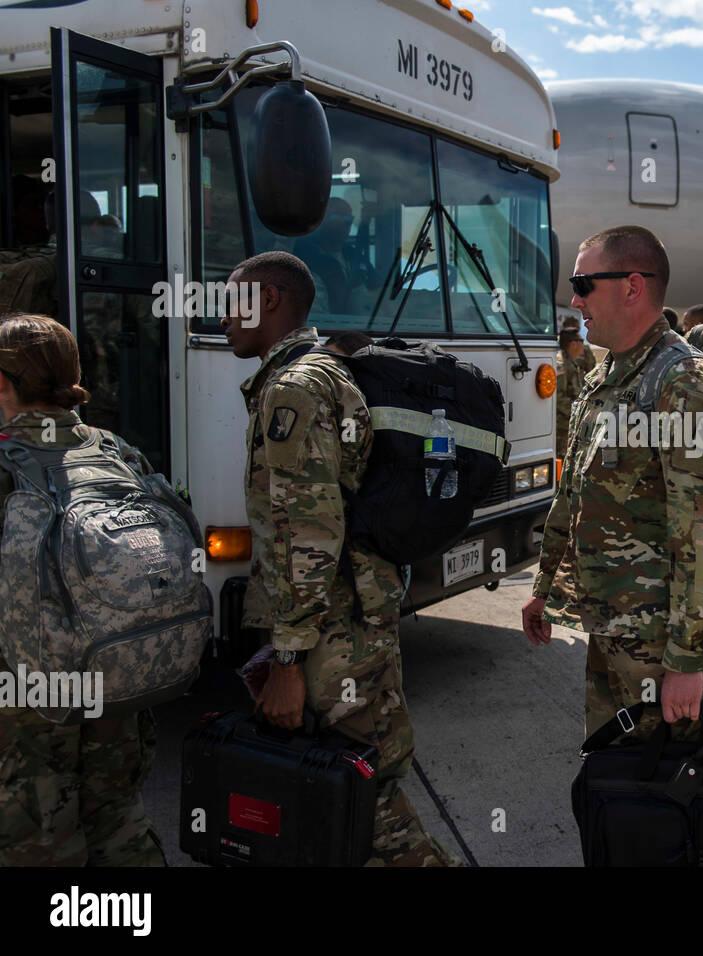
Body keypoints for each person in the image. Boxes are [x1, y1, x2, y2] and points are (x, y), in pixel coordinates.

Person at [221, 251, 453, 866]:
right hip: (350, 613)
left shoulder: (294, 386)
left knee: (365, 796)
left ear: (268, 300)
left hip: (332, 629)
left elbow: (311, 529)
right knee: (356, 786)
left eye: (230, 299)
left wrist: (290, 660)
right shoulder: (323, 370)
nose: (220, 317)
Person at [522, 226, 703, 748]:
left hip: (661, 647)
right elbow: (574, 494)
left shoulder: (684, 383)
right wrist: (545, 584)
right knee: (615, 787)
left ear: (632, 287)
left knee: (668, 796)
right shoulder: (609, 377)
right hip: (611, 628)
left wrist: (691, 659)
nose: (574, 299)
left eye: (584, 283)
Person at [0, 313, 165, 866]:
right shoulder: (116, 451)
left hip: (28, 692)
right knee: (117, 813)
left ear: (4, 384)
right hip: (113, 666)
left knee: (39, 829)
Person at [554, 328, 586, 452]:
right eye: (582, 341)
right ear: (573, 344)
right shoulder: (561, 364)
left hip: (568, 424)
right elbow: (558, 397)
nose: (584, 345)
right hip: (562, 427)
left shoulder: (570, 362)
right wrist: (576, 415)